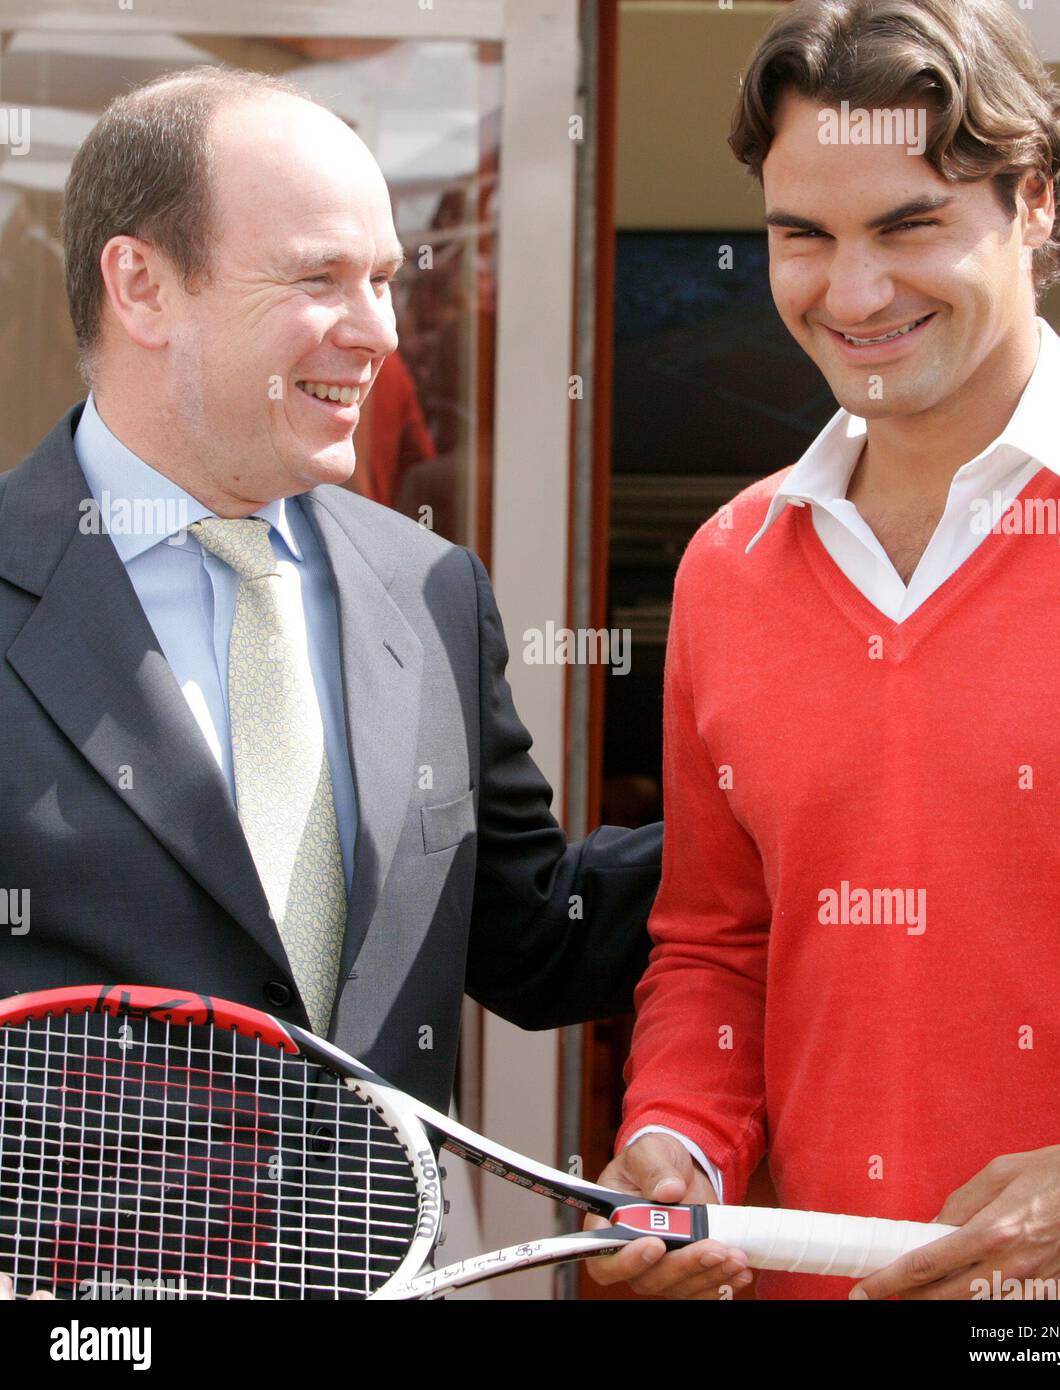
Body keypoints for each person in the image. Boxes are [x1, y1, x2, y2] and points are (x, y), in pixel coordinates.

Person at [0, 66, 661, 1295]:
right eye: (318, 277)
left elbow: (530, 941)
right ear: (141, 284)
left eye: (381, 277)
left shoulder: (428, 588)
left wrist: (794, 813)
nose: (380, 329)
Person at [588, 0, 1060, 1300]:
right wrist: (678, 1138)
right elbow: (715, 944)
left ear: (1036, 206)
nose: (851, 293)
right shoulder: (729, 569)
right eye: (804, 236)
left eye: (908, 226)